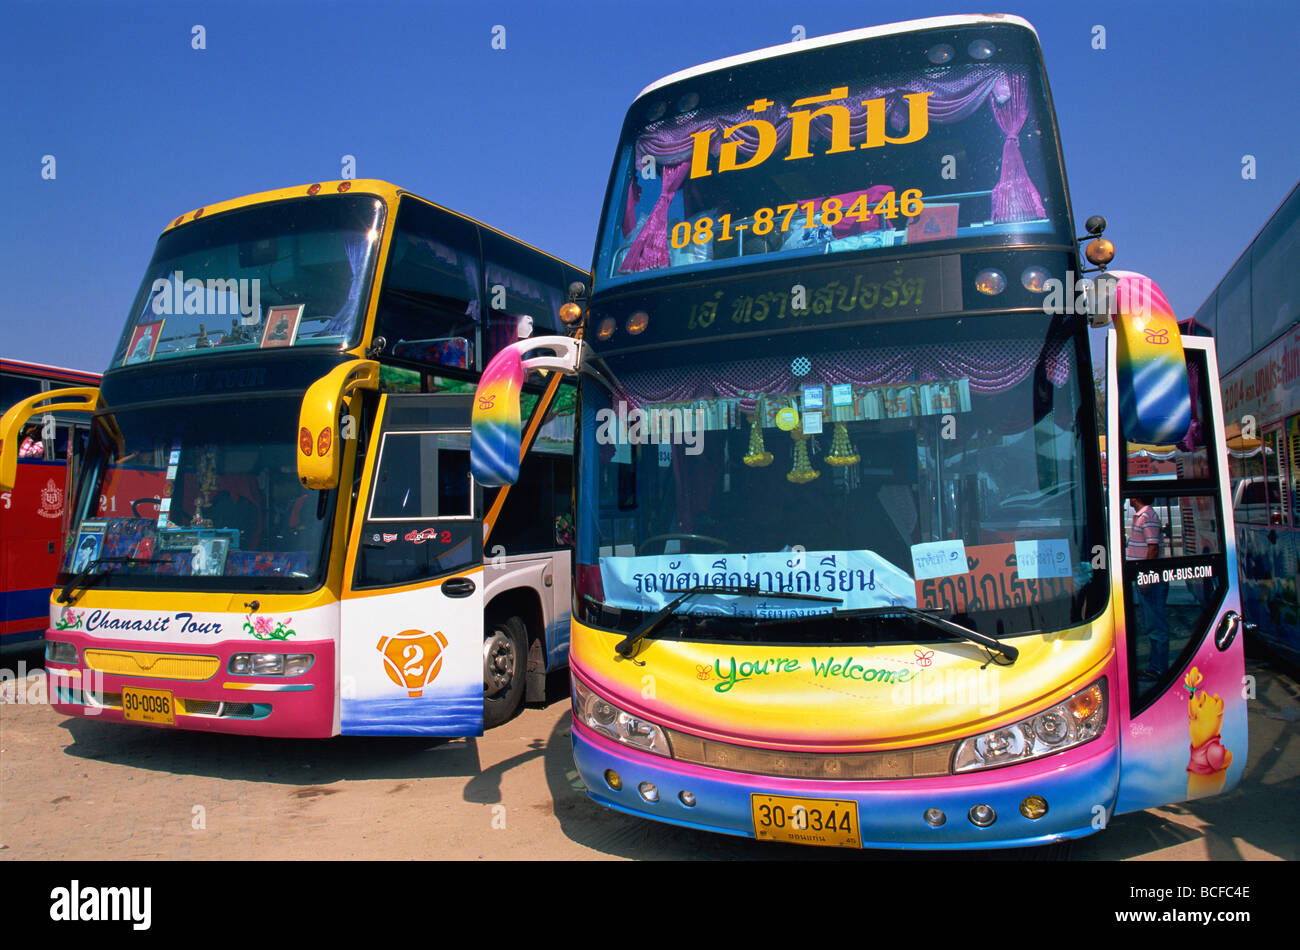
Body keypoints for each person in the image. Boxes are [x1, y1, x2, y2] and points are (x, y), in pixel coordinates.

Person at [1126, 496, 1169, 681]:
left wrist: (1146, 577)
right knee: (1151, 622)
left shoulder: (1147, 517)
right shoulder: (1141, 516)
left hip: (1151, 579)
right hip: (1145, 578)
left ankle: (1158, 668)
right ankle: (1155, 665)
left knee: (1155, 623)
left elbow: (1152, 548)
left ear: (1135, 498)